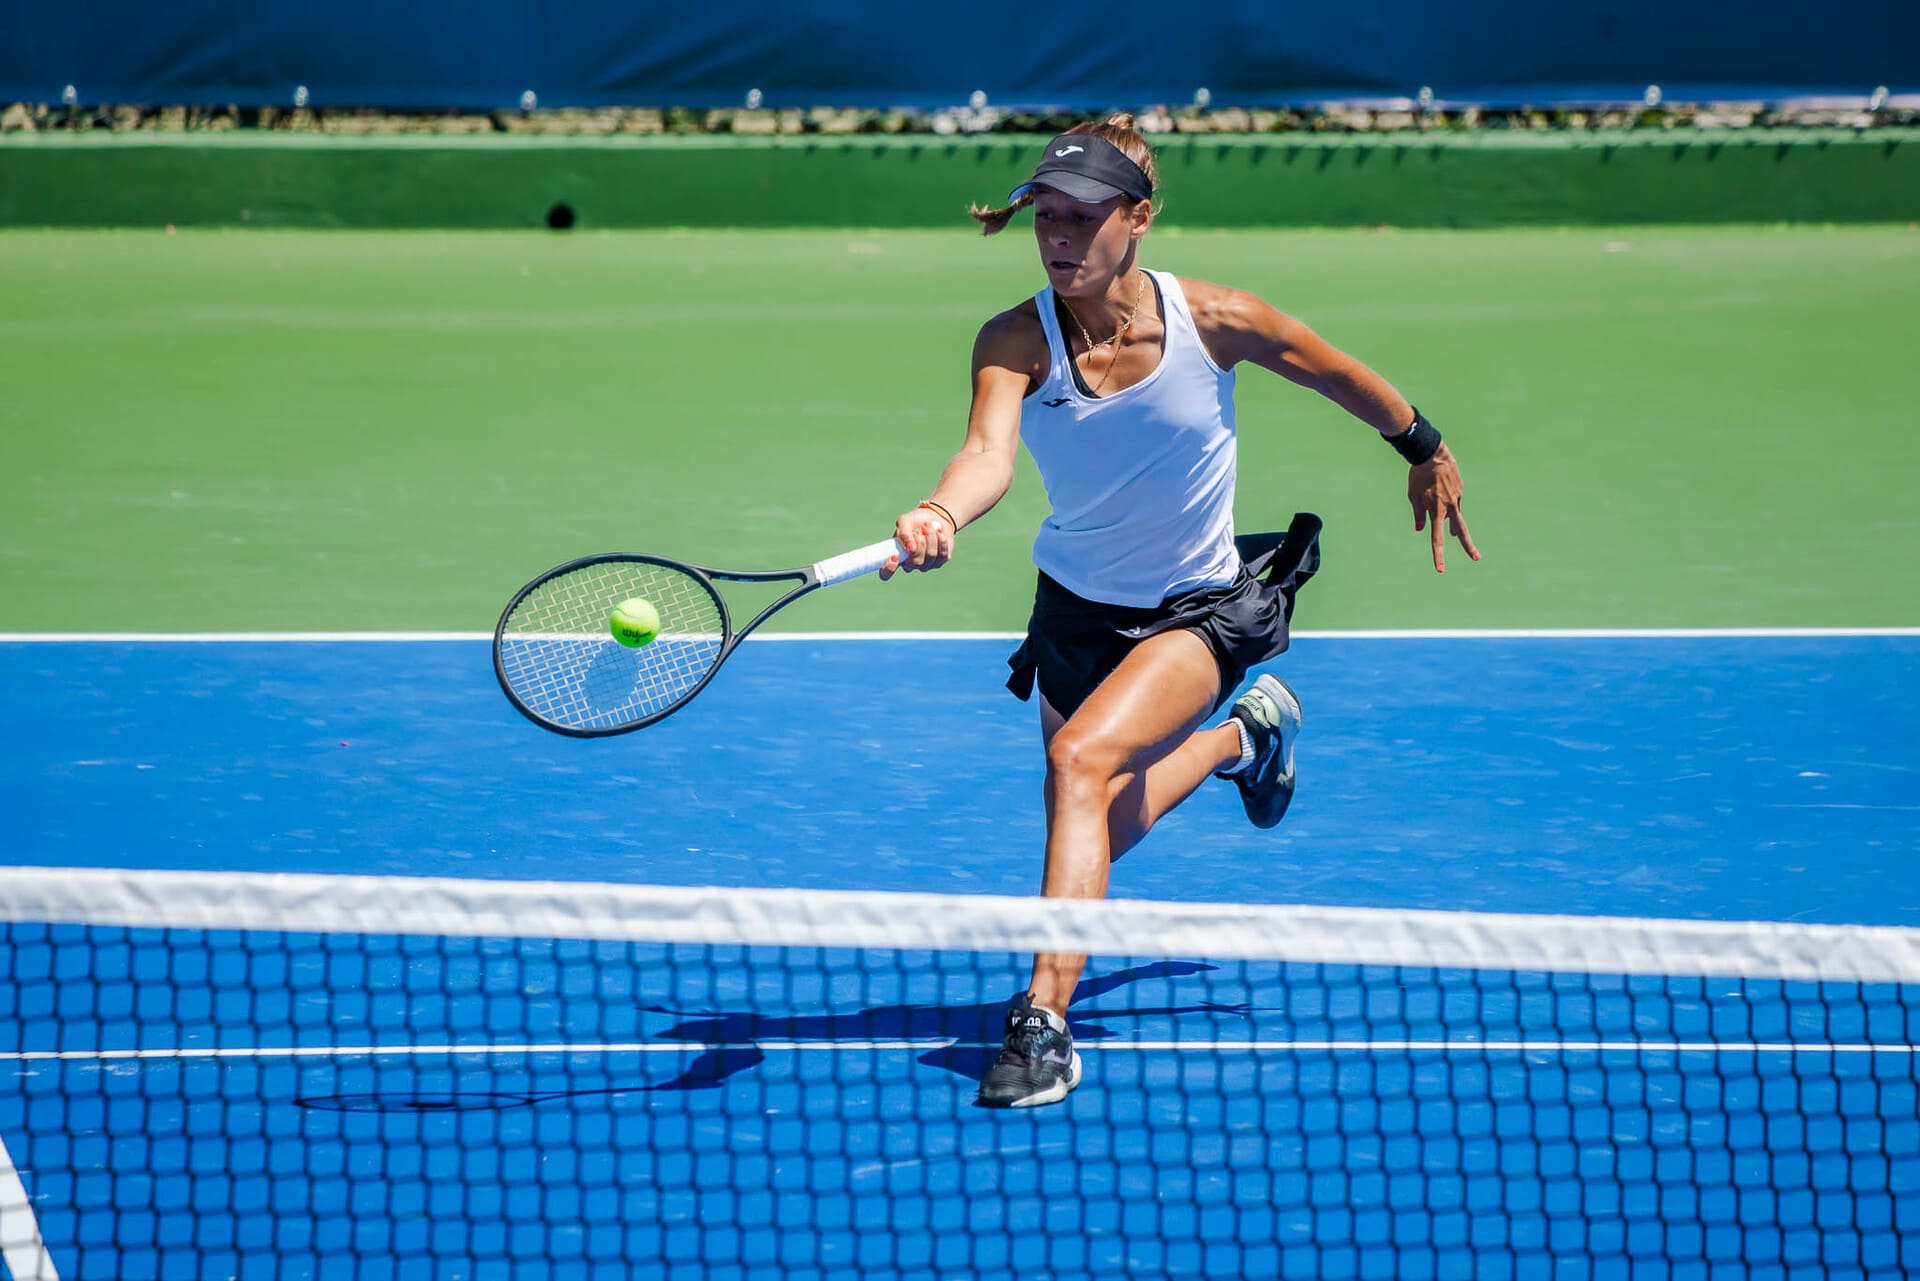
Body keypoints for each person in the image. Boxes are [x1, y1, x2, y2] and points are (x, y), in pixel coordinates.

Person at [880, 114, 1478, 1108]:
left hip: (1196, 610)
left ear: (1140, 218)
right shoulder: (1015, 338)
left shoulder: (1220, 320)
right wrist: (942, 509)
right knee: (1098, 828)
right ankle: (1244, 740)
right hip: (1076, 611)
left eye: (1081, 218)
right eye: (1044, 220)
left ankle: (1042, 1028)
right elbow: (987, 453)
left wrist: (1425, 446)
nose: (1059, 239)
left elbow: (1334, 372)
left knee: (1078, 767)